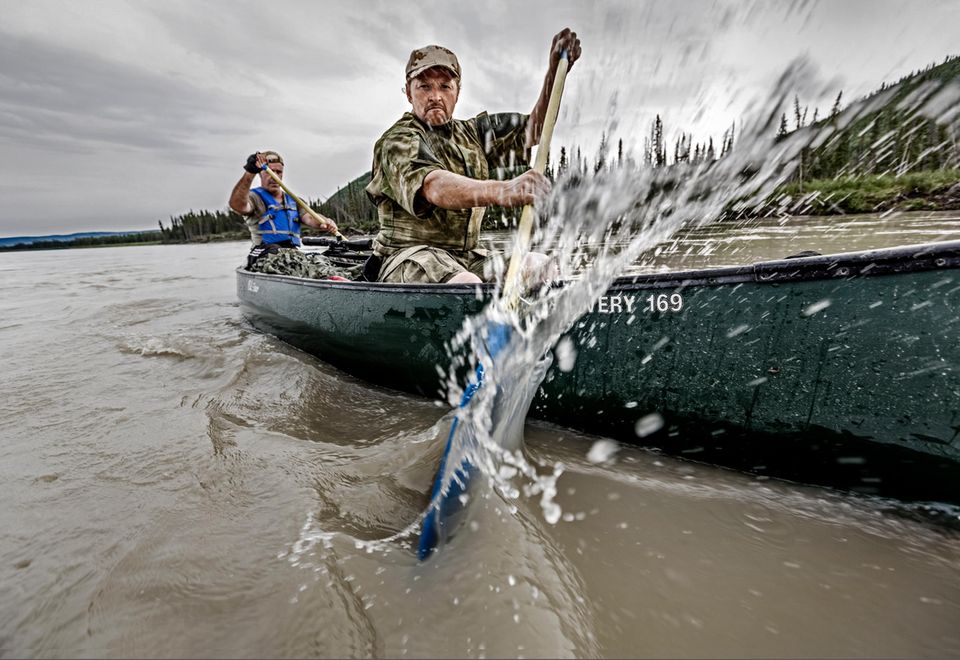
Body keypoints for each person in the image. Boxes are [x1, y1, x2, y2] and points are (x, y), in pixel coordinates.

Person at [365, 28, 582, 285]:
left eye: (445, 86)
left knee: (540, 267)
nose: (435, 96)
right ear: (409, 93)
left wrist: (555, 72)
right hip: (407, 256)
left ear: (457, 92)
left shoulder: (474, 133)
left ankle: (535, 322)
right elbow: (433, 186)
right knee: (465, 285)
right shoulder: (398, 139)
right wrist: (504, 189)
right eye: (424, 86)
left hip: (467, 257)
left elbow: (535, 131)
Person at [229, 151, 356, 279]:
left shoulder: (294, 200)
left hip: (294, 255)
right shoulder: (254, 198)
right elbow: (238, 205)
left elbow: (310, 218)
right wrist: (249, 172)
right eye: (270, 172)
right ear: (261, 173)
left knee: (333, 264)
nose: (274, 176)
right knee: (302, 267)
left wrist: (326, 221)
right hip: (266, 255)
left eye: (279, 172)